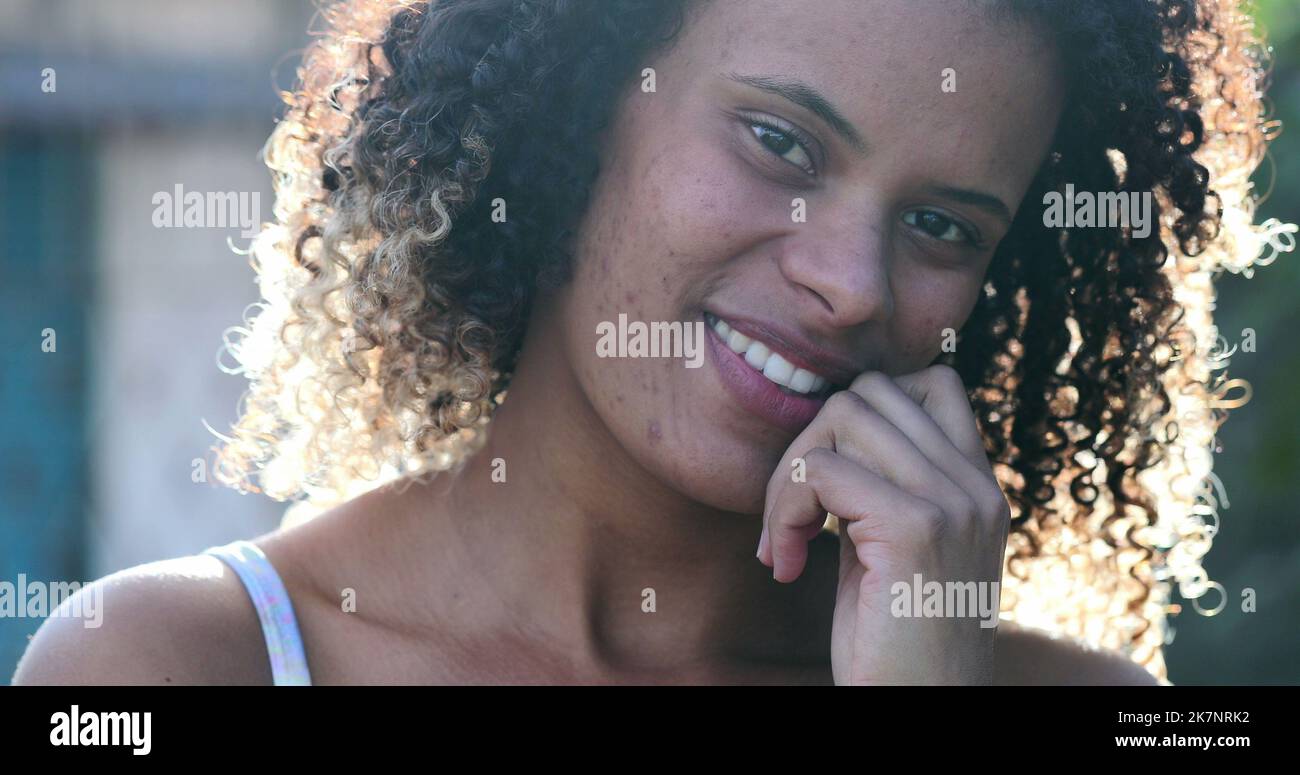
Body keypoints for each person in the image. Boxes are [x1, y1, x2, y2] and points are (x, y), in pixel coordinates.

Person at [15, 0, 1283, 685]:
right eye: (778, 143)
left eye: (942, 225)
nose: (847, 283)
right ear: (565, 121)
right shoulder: (169, 672)